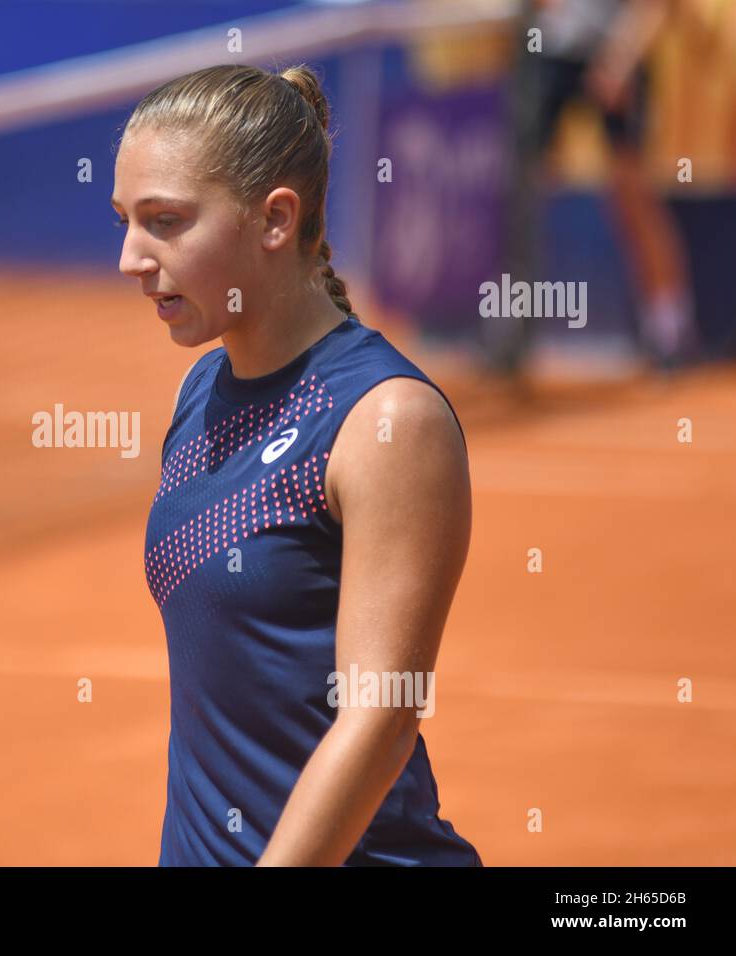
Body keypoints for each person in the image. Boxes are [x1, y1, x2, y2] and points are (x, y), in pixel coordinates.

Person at [112, 63, 482, 866]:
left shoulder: (388, 423)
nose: (131, 257)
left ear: (276, 218)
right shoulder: (200, 389)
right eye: (125, 221)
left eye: (165, 221)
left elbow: (381, 715)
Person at [518, 0, 699, 369]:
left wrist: (623, 56)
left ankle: (670, 331)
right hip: (553, 54)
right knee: (520, 194)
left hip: (616, 55)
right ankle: (510, 326)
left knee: (632, 193)